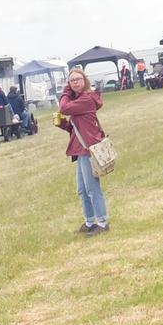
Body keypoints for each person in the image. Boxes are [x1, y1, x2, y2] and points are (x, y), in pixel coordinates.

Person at [58, 67, 110, 234]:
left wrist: (66, 91)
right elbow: (78, 128)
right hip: (80, 148)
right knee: (82, 190)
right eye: (71, 80)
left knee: (92, 188)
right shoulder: (80, 99)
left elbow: (64, 108)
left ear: (85, 81)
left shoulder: (86, 98)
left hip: (88, 149)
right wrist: (64, 124)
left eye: (77, 79)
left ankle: (102, 223)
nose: (75, 83)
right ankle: (89, 222)